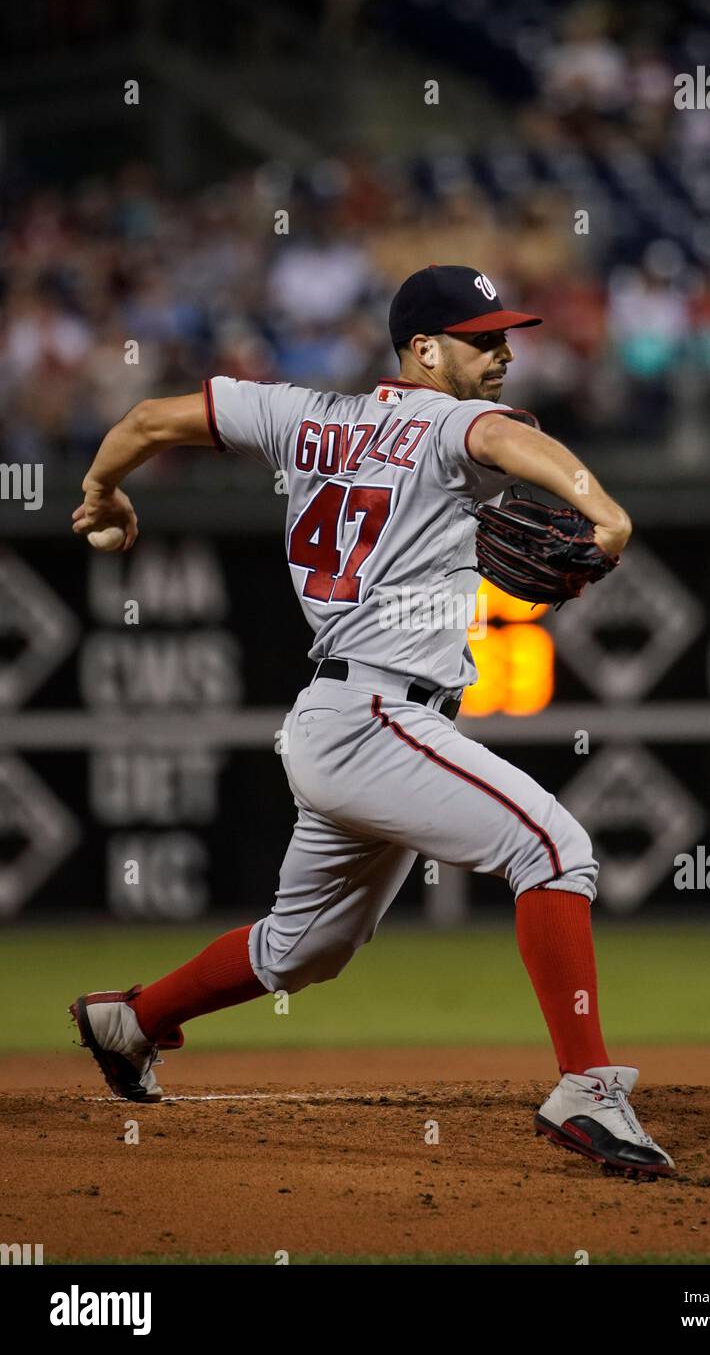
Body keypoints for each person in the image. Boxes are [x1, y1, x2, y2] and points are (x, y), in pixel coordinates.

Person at [70, 264, 675, 1179]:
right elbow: (506, 442)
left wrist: (103, 492)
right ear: (424, 350)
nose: (504, 353)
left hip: (337, 719)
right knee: (555, 849)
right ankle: (587, 1088)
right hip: (378, 716)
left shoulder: (297, 414)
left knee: (304, 950)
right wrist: (604, 511)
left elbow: (150, 420)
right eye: (483, 339)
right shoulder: (449, 424)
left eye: (506, 336)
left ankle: (132, 1021)